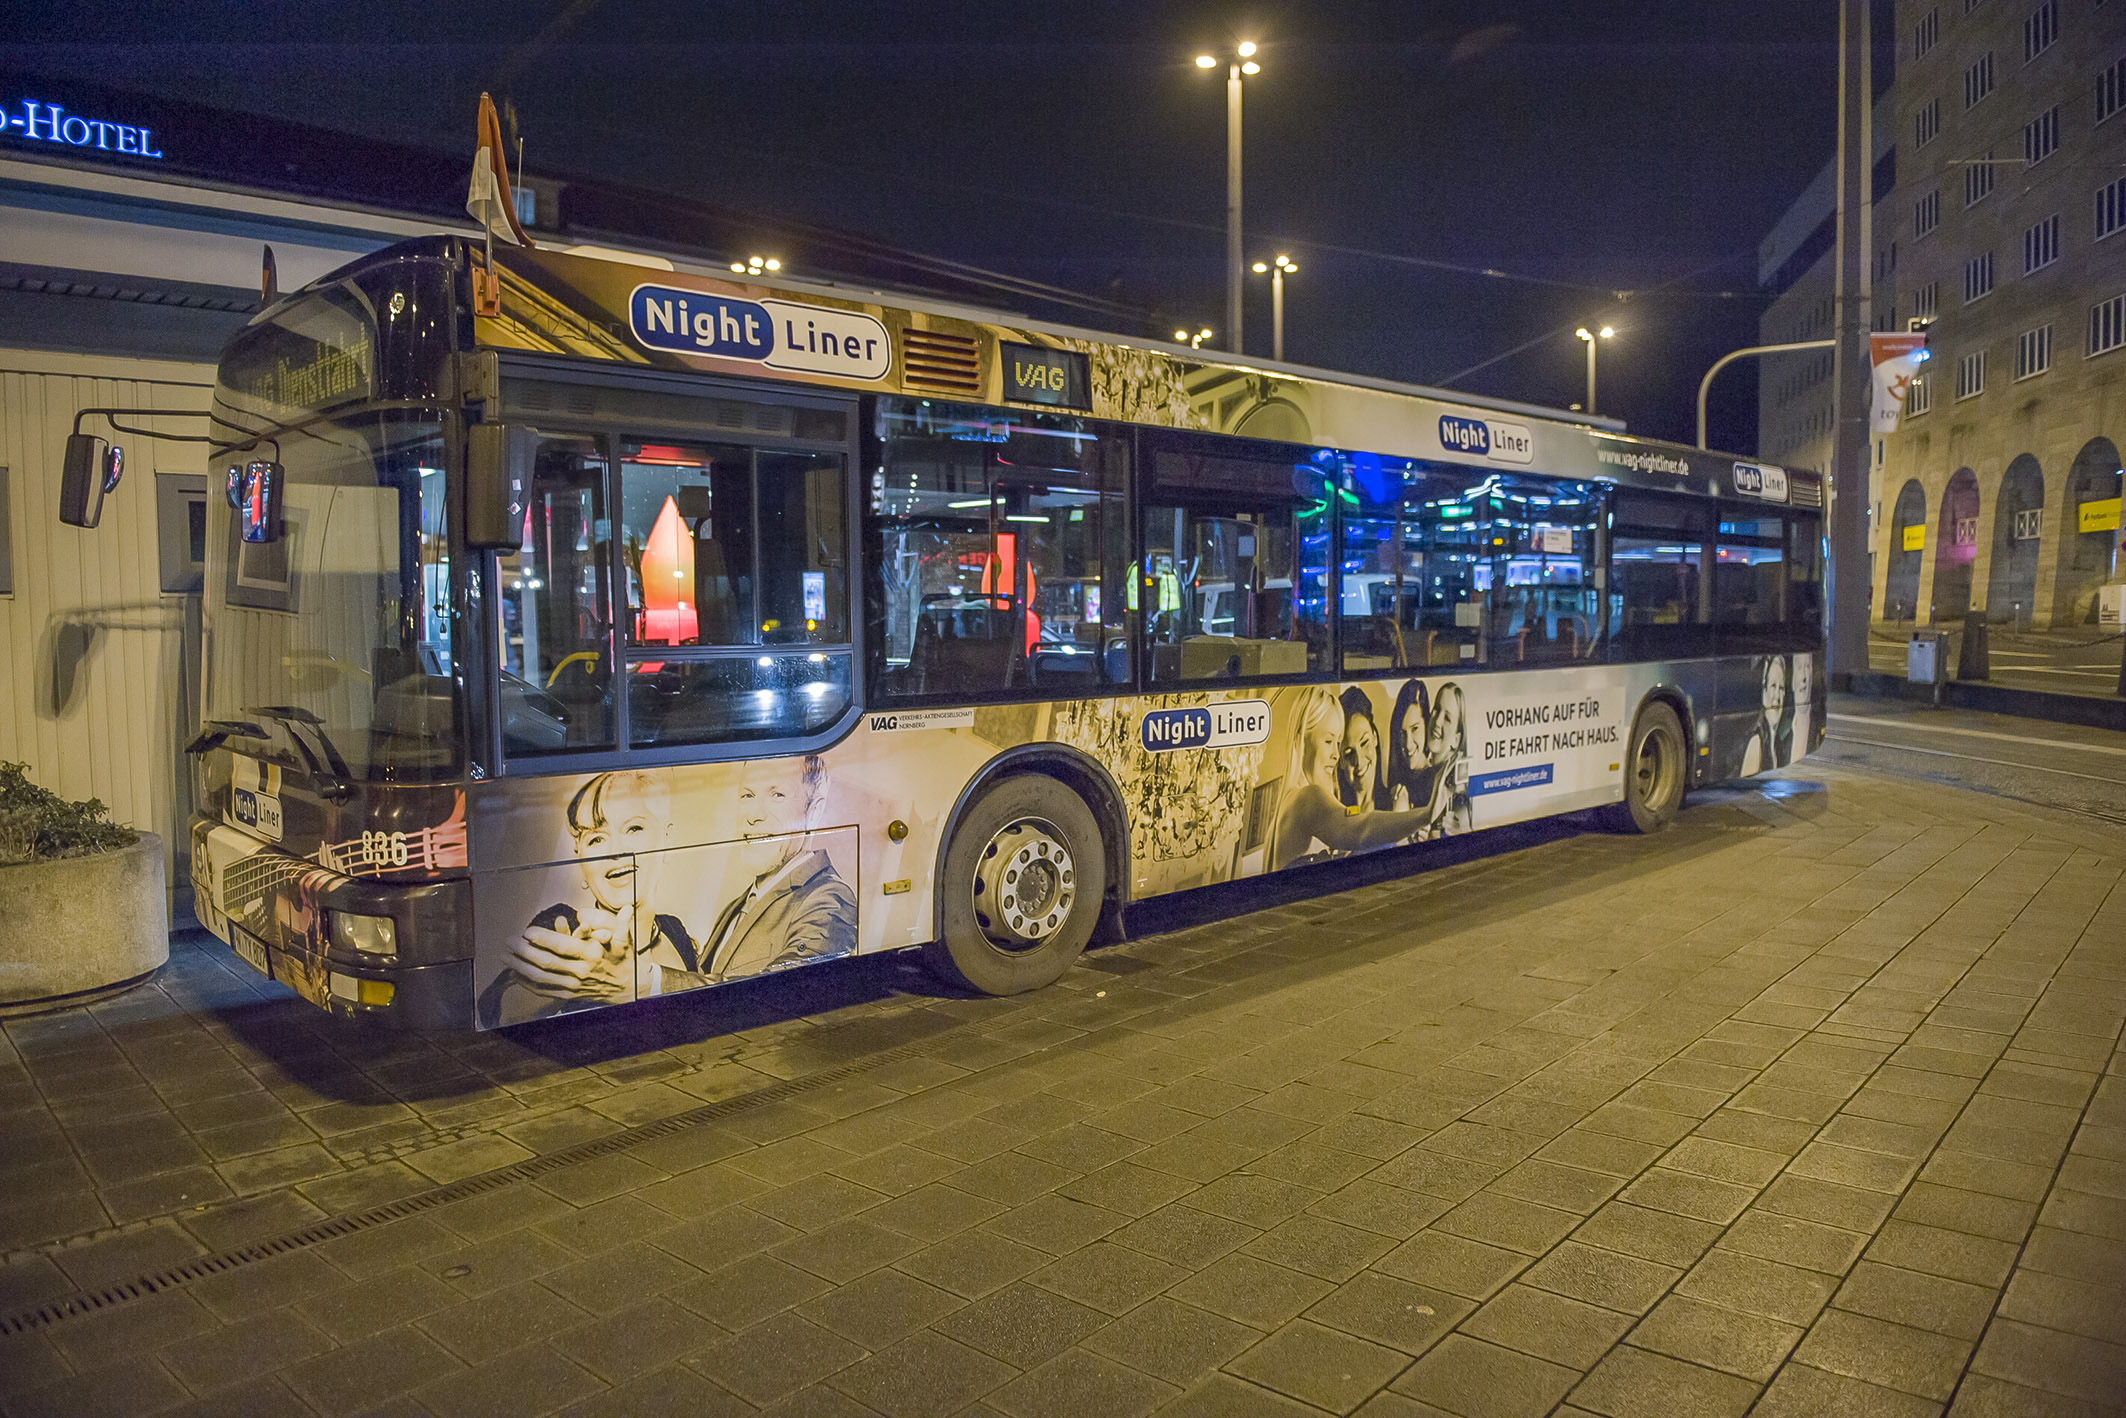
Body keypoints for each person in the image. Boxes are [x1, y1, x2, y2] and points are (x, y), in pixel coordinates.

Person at [478, 770, 693, 1026]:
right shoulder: (563, 927)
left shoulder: (674, 930)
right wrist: (557, 986)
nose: (616, 851)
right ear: (580, 860)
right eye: (597, 839)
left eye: (634, 828)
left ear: (666, 840)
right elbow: (496, 1007)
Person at [674, 754, 857, 986]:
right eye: (747, 795)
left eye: (777, 795)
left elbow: (788, 985)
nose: (753, 815)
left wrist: (656, 981)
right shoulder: (737, 905)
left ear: (814, 811)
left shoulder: (829, 898)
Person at [1265, 684, 1438, 871]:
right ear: (1302, 742)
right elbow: (1361, 830)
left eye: (1337, 743)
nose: (1335, 755)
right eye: (1329, 741)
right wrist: (1424, 815)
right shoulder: (1307, 797)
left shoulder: (1289, 804)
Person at [1738, 655, 1795, 775]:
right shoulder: (1756, 742)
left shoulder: (1778, 744)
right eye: (1773, 686)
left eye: (1781, 688)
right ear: (1764, 692)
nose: (1777, 697)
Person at [1336, 686, 1388, 810]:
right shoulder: (1334, 812)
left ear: (1375, 737)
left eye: (1364, 743)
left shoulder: (1395, 803)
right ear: (1341, 760)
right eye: (1349, 753)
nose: (1359, 762)